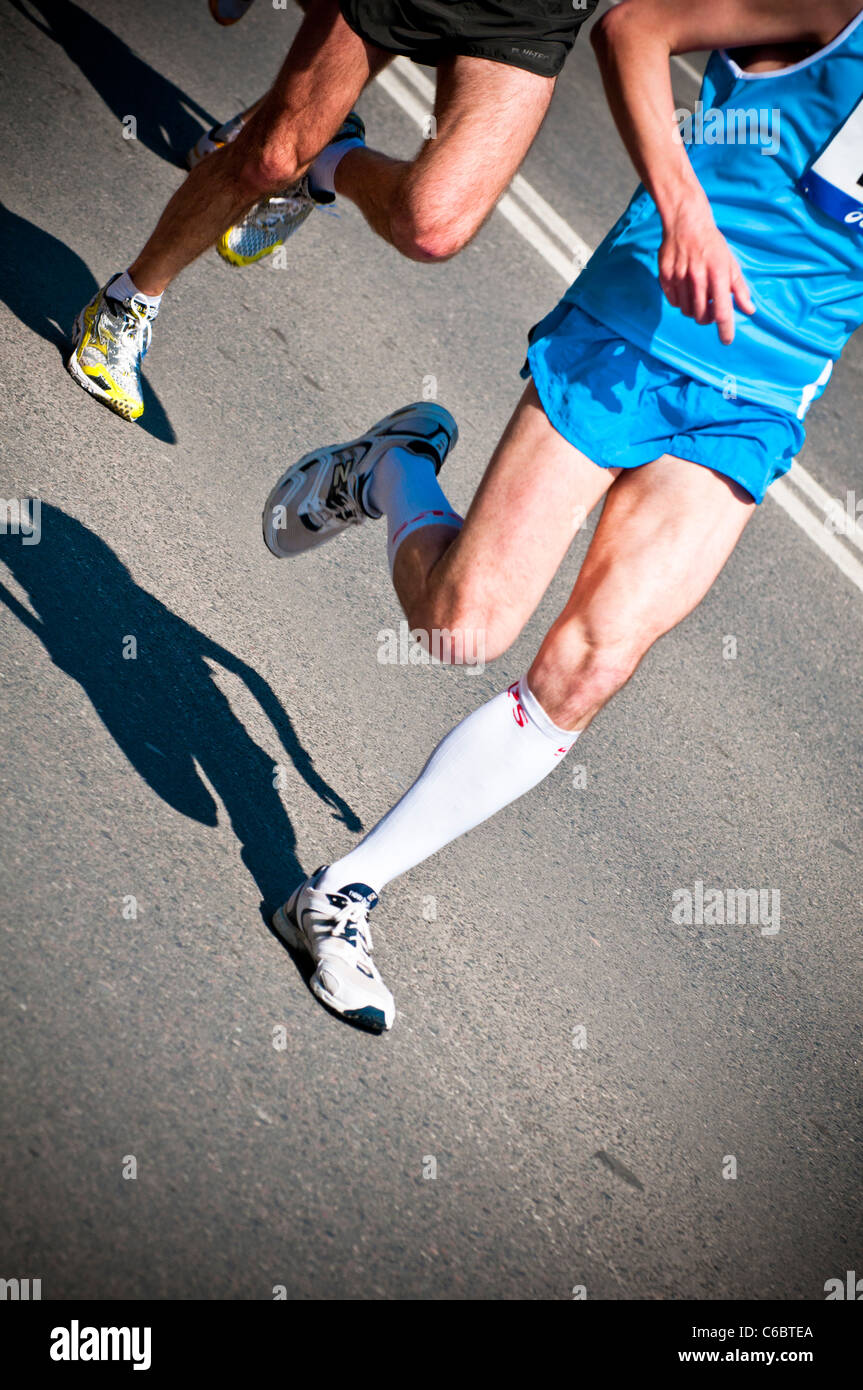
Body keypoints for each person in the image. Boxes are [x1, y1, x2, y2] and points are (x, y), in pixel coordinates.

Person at [259, 0, 863, 1031]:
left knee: (589, 665)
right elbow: (629, 27)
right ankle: (393, 471)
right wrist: (681, 205)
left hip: (761, 398)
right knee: (462, 624)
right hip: (636, 327)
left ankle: (339, 894)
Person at [65, 0, 599, 420]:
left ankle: (329, 155)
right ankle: (122, 303)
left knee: (431, 227)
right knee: (272, 157)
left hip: (530, 13)